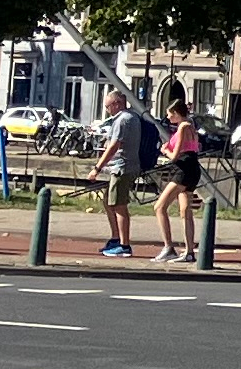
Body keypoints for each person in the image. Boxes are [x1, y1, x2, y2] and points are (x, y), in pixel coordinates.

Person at [85, 88, 158, 258]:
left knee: (119, 205)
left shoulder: (123, 120)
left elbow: (114, 146)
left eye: (108, 106)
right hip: (123, 166)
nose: (107, 110)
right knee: (109, 201)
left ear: (117, 103)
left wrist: (97, 168)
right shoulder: (131, 117)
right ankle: (116, 238)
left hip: (122, 167)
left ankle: (124, 245)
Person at [156, 98, 207, 261]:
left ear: (176, 113)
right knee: (185, 210)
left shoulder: (183, 127)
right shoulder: (191, 126)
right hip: (193, 168)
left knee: (160, 207)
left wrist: (165, 150)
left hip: (183, 169)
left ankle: (168, 247)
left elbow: (175, 156)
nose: (168, 118)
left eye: (170, 115)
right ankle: (189, 252)